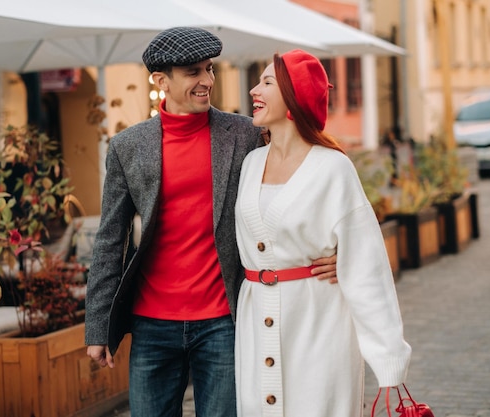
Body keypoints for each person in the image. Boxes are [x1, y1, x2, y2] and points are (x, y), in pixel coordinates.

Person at [84, 28, 337, 417]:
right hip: (152, 325)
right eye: (192, 72)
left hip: (224, 320)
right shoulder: (128, 147)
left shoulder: (245, 134)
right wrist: (98, 327)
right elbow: (109, 240)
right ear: (160, 81)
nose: (206, 81)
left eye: (209, 69)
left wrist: (338, 249)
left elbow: (295, 188)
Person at [234, 49, 412, 417]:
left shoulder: (333, 169)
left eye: (267, 82)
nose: (254, 89)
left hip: (318, 320)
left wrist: (388, 358)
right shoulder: (251, 164)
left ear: (293, 99)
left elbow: (367, 266)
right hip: (254, 322)